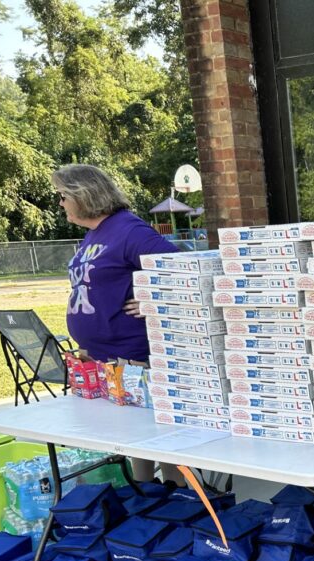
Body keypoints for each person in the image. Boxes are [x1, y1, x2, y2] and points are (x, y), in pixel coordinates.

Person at [53, 163, 182, 484]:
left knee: (157, 436)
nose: (60, 203)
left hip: (133, 354)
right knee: (133, 435)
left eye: (63, 195)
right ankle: (145, 493)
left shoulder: (129, 230)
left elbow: (181, 267)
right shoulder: (95, 234)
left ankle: (179, 498)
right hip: (102, 356)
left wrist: (154, 300)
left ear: (84, 195)